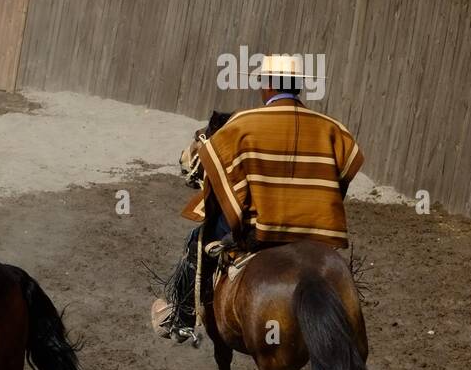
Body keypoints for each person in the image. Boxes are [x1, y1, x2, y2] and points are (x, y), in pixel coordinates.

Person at [156, 55, 364, 341]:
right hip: (316, 233)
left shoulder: (245, 123)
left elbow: (214, 163)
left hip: (262, 231)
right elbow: (344, 173)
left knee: (198, 240)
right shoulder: (333, 129)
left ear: (267, 85)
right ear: (298, 87)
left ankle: (183, 318)